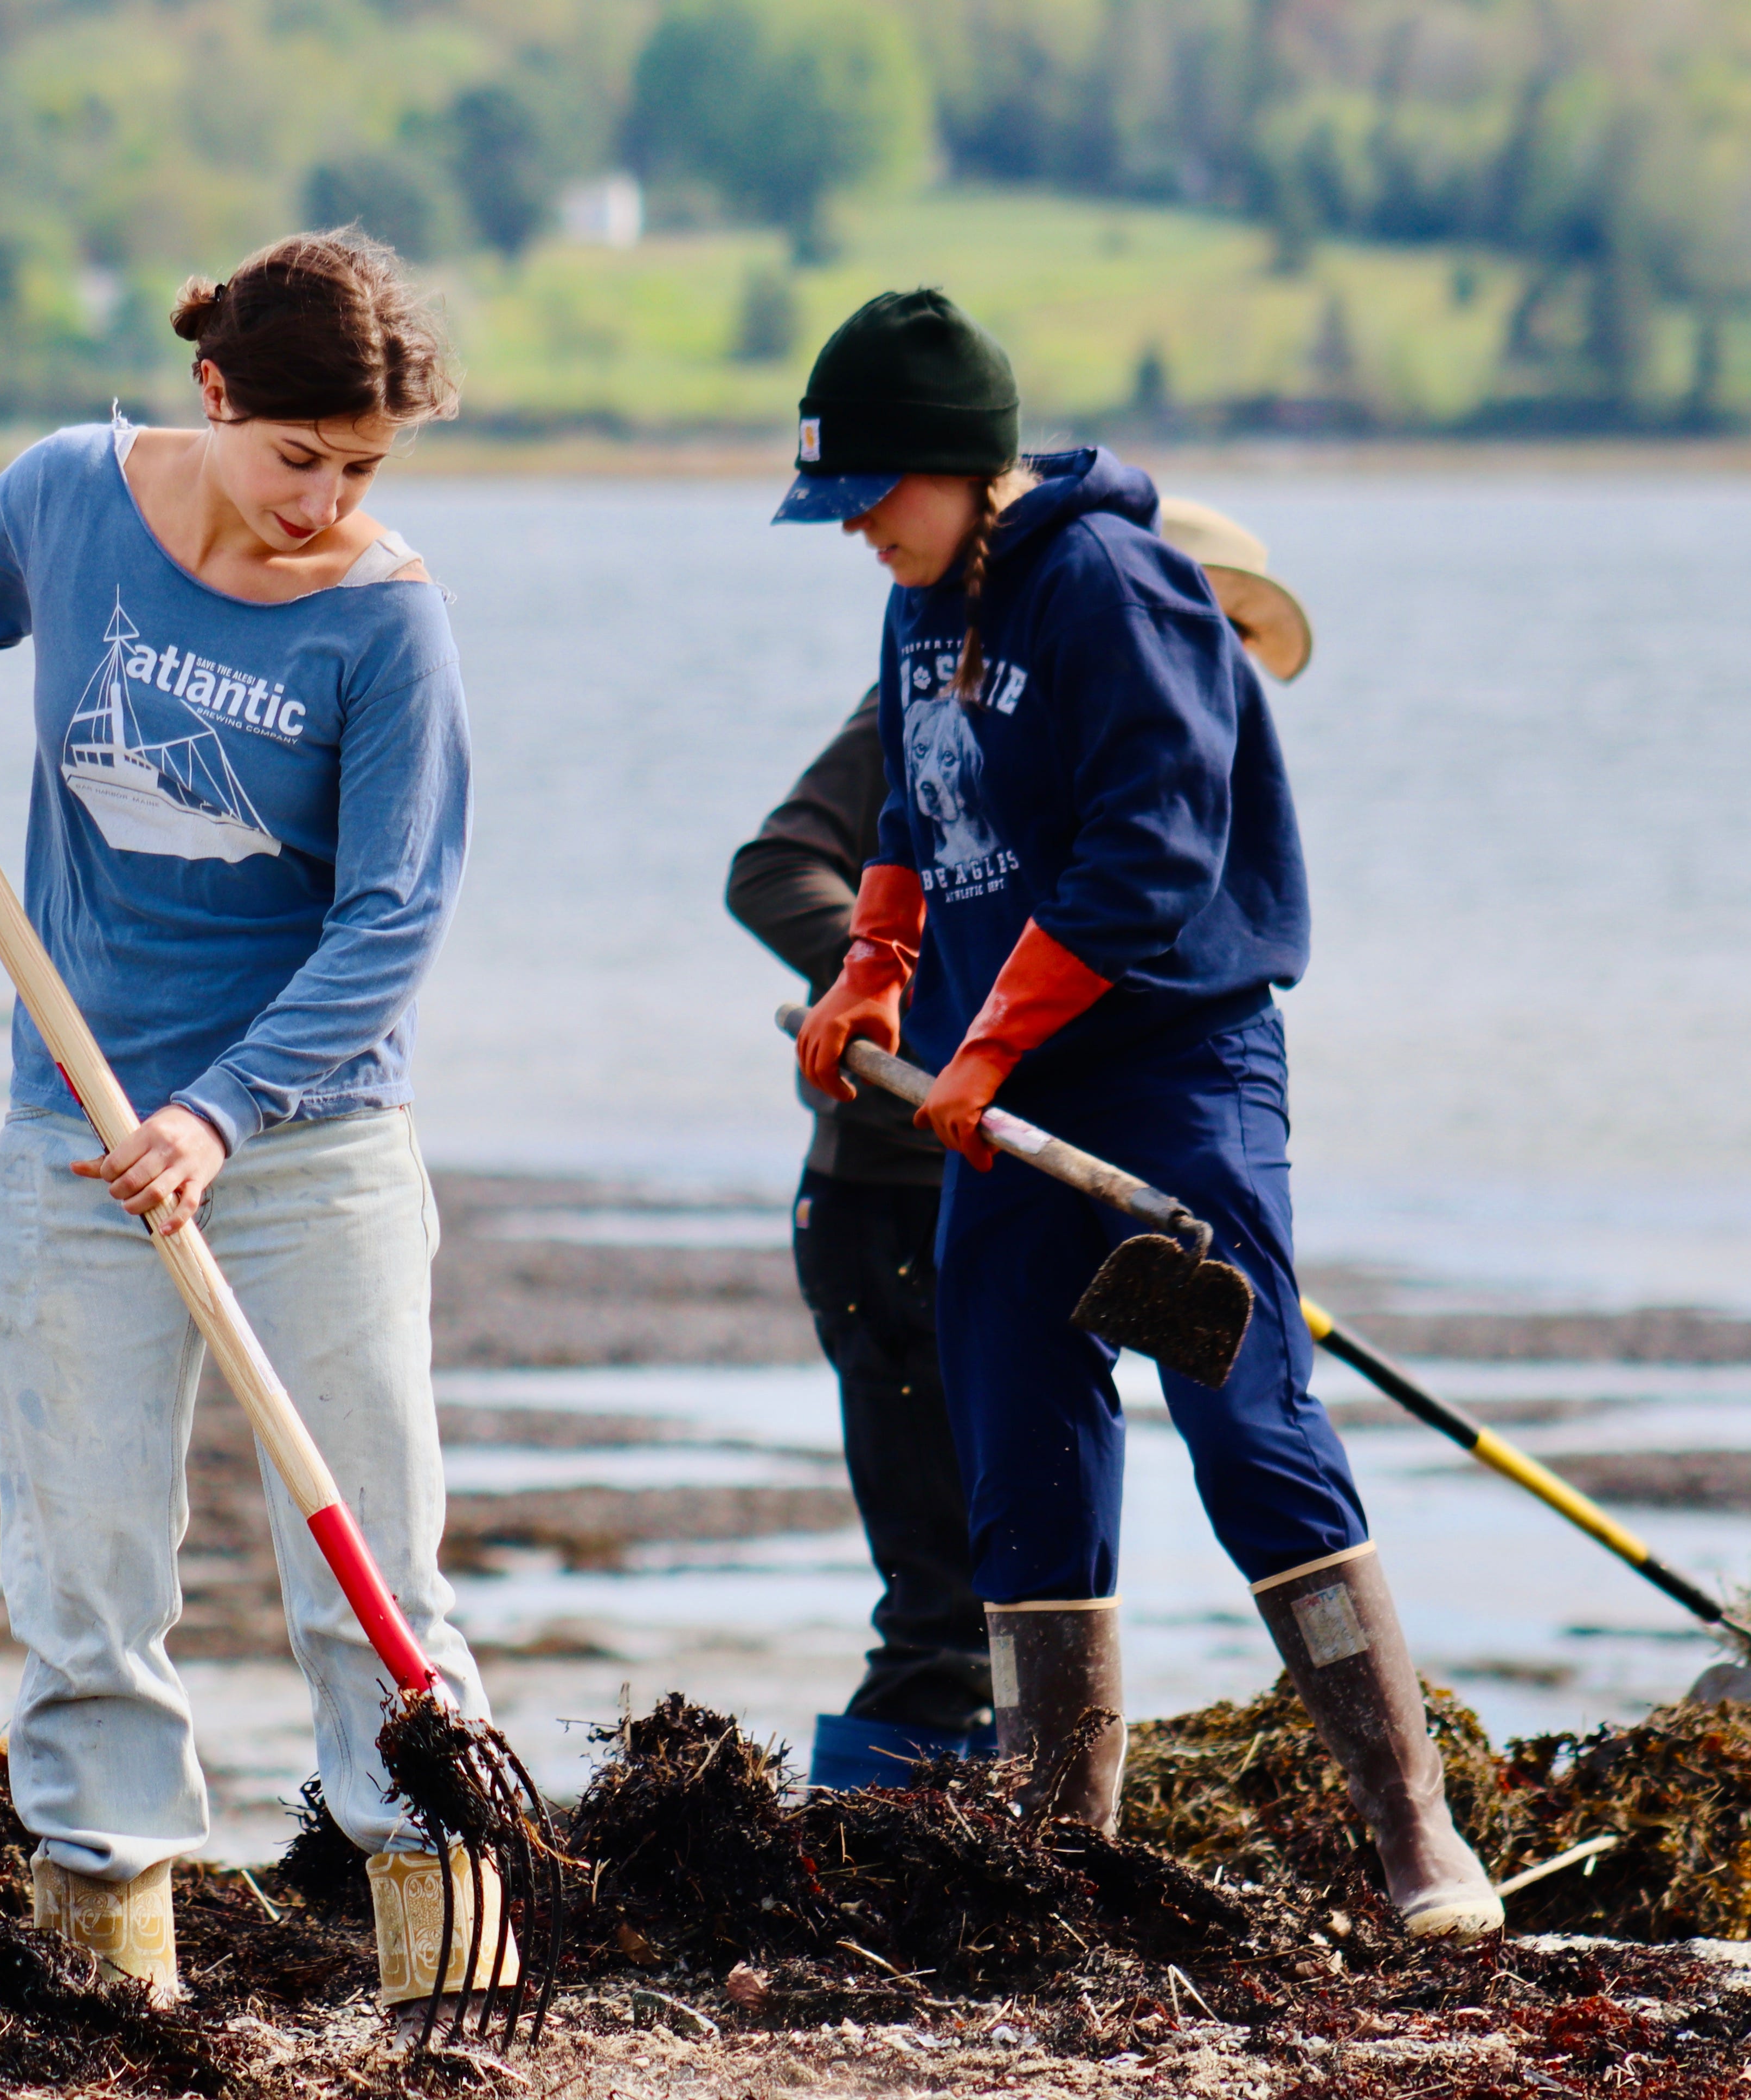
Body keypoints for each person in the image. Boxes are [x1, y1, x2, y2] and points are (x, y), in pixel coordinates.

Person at [0, 230, 507, 2005]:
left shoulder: (388, 618)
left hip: (302, 1139)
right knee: (80, 1568)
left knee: (370, 1566)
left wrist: (219, 1116)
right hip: (75, 1120)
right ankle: (110, 1963)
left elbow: (389, 922)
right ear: (213, 395)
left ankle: (447, 1968)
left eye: (361, 467)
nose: (325, 499)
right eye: (298, 454)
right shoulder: (74, 496)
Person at [778, 288, 1503, 1938]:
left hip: (1171, 1076)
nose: (852, 532)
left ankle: (1413, 1839)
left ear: (963, 471)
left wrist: (985, 1043)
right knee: (1018, 1448)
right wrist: (876, 967)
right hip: (1001, 1093)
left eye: (869, 496)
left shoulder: (1114, 584)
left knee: (1249, 1426)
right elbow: (911, 799)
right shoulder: (920, 596)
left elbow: (1149, 852)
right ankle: (1052, 1860)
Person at [730, 499, 1317, 1793]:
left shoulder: (1148, 735)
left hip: (1058, 1153)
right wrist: (924, 1006)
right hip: (892, 1191)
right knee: (945, 1601)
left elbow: (1140, 902)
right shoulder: (964, 699)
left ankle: (951, 1852)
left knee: (968, 1586)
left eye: (1223, 645)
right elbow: (780, 862)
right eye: (1193, 626)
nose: (1204, 666)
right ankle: (862, 1861)